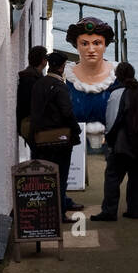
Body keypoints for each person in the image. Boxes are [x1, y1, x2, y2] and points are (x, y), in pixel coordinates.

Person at [91, 62, 138, 222]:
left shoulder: (117, 94)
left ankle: (110, 211)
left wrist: (109, 141)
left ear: (118, 76)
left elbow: (111, 121)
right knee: (136, 177)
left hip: (121, 144)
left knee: (112, 177)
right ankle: (134, 210)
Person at [29, 50, 81, 221]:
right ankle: (59, 213)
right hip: (59, 139)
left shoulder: (39, 84)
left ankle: (45, 211)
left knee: (45, 177)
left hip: (40, 138)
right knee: (60, 175)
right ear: (61, 67)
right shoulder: (60, 86)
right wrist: (76, 129)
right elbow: (67, 111)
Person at [63, 17, 117, 142]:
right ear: (76, 45)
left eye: (97, 43)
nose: (91, 50)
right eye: (84, 43)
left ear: (105, 45)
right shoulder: (65, 79)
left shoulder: (117, 77)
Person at [16, 45, 48, 147]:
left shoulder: (32, 76)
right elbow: (29, 103)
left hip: (31, 124)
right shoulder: (31, 79)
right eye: (46, 57)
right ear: (43, 60)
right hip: (32, 125)